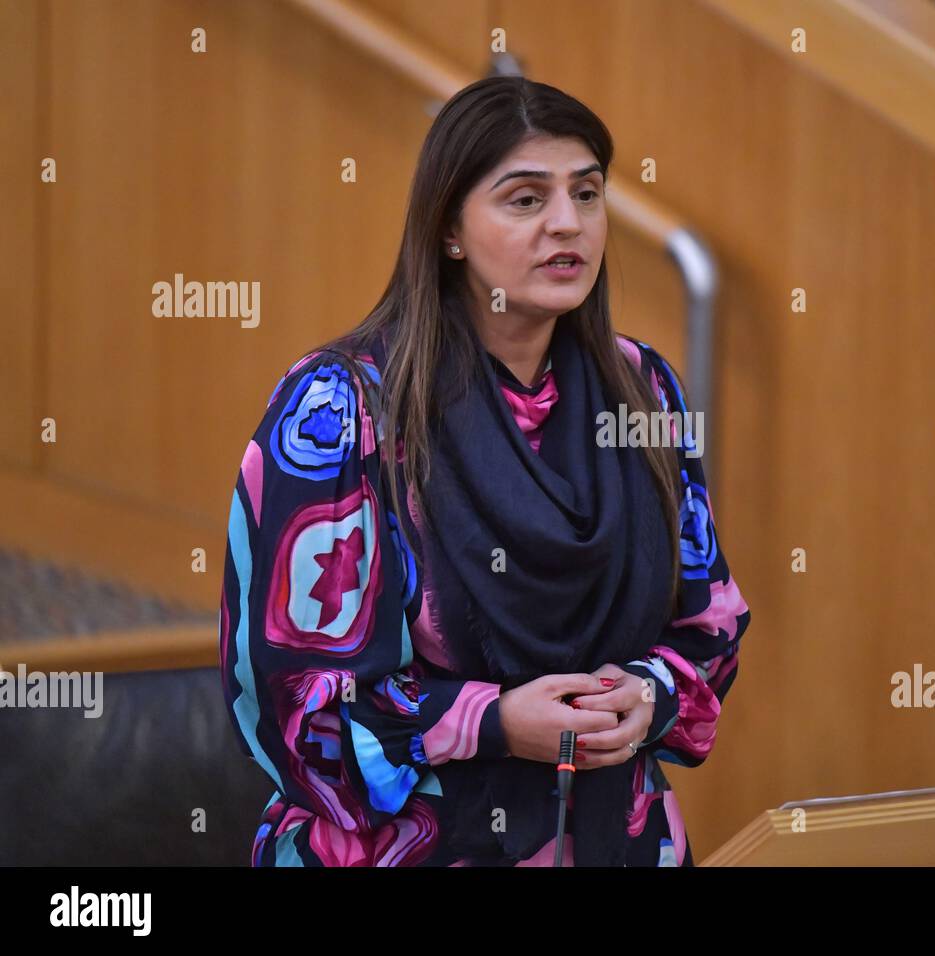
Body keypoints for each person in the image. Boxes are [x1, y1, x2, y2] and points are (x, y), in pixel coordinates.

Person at [218, 75, 749, 866]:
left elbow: (709, 625)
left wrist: (644, 695)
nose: (568, 223)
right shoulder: (343, 406)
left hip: (615, 839)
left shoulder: (644, 390)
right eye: (525, 199)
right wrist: (492, 721)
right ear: (450, 231)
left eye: (588, 193)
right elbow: (294, 701)